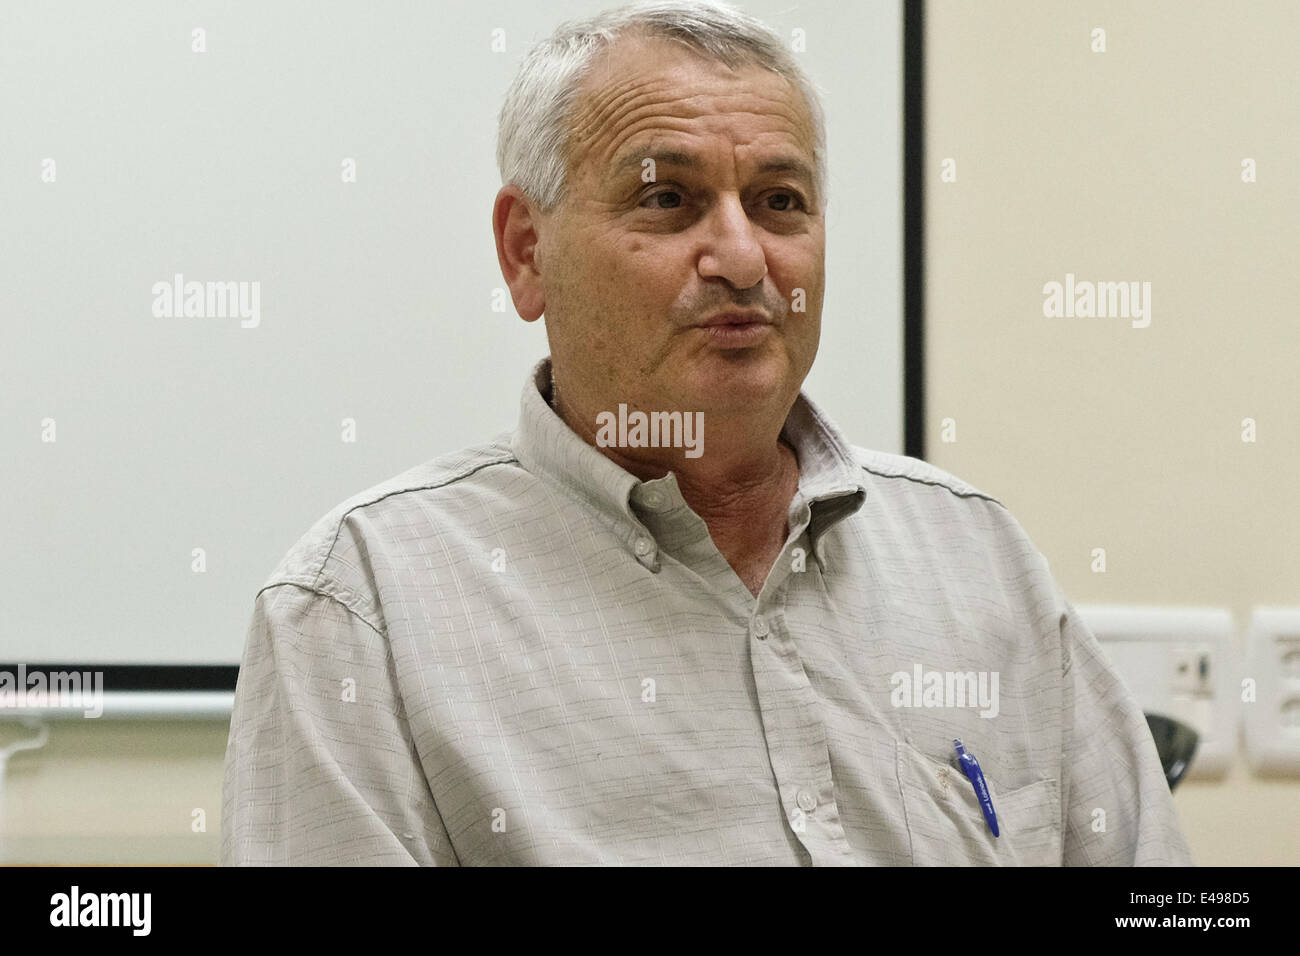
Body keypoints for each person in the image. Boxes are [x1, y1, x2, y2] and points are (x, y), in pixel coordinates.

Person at [221, 0, 1193, 866]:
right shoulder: (359, 609)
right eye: (666, 198)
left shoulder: (976, 555)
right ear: (527, 253)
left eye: (779, 201)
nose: (739, 257)